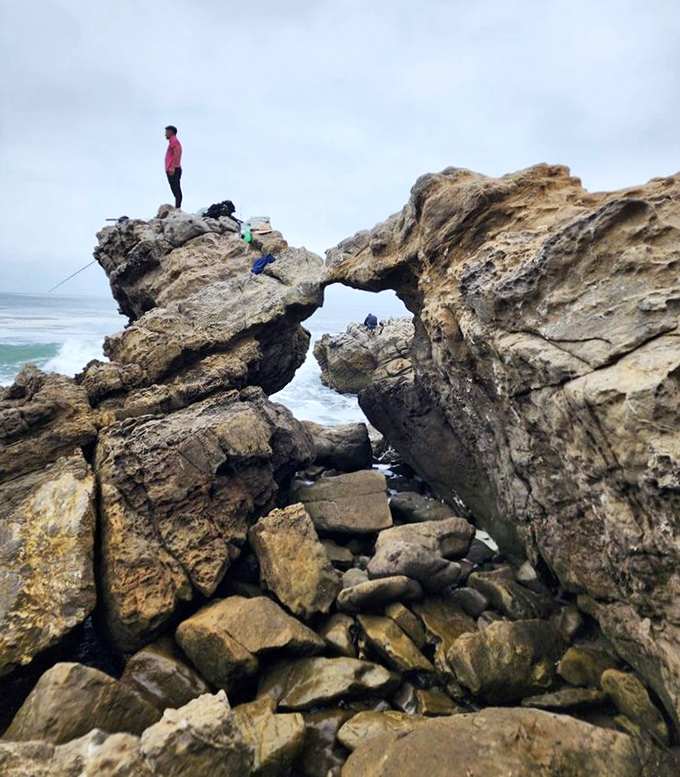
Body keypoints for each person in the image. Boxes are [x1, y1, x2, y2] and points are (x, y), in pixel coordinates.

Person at [164, 125, 183, 208]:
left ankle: (178, 208)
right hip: (172, 168)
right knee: (174, 189)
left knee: (176, 189)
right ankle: (177, 207)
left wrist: (173, 167)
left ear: (171, 132)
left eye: (166, 132)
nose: (165, 134)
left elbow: (177, 153)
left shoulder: (174, 141)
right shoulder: (172, 141)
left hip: (173, 169)